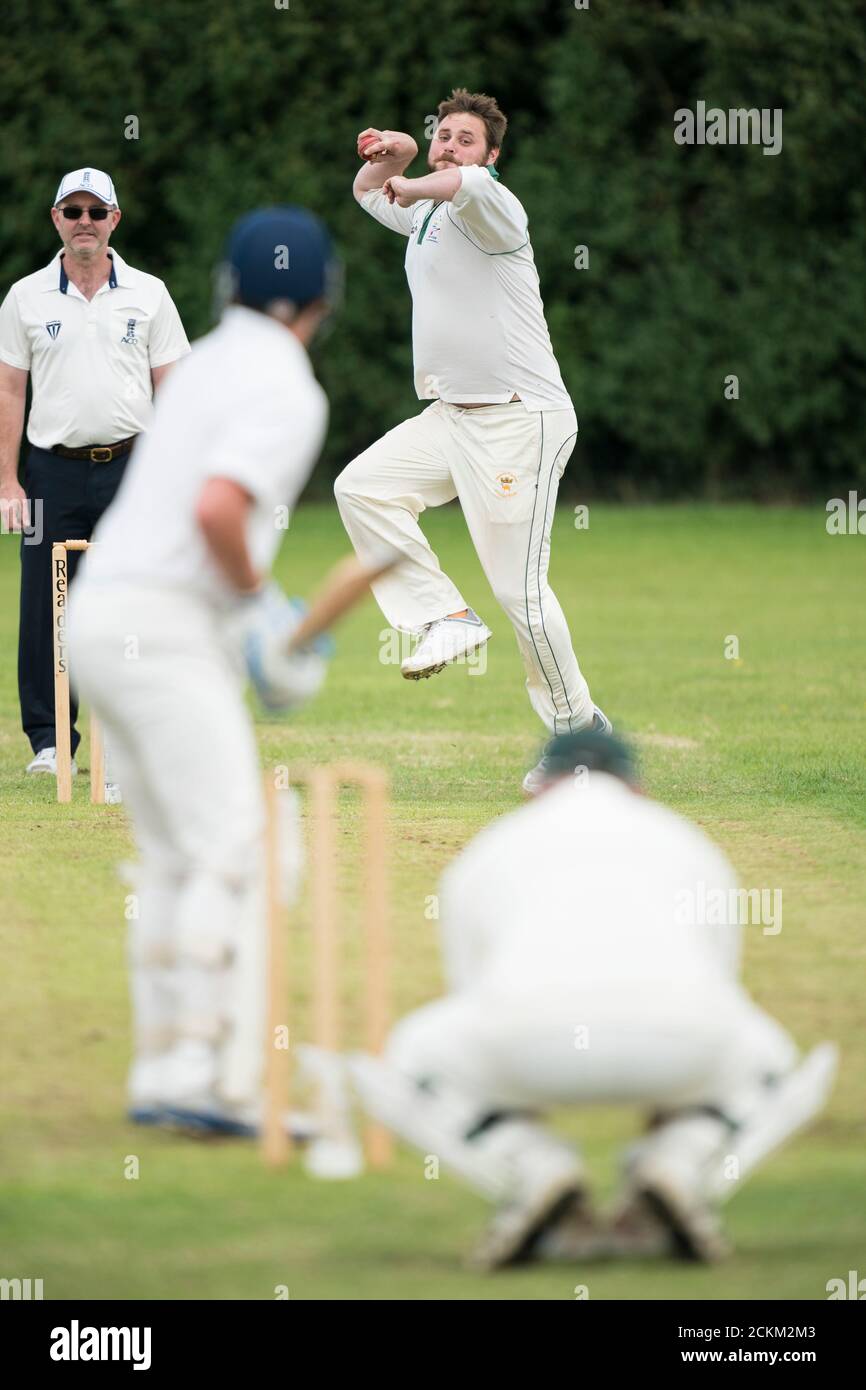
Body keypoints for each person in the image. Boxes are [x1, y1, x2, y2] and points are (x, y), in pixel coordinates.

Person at [349, 730, 837, 1269]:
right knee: (773, 1058)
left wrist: (514, 1107)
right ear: (637, 787)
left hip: (523, 1040)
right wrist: (676, 1108)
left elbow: (472, 989)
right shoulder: (687, 840)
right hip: (685, 1039)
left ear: (539, 787)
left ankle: (534, 1168)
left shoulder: (493, 844)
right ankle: (679, 1163)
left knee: (406, 1056)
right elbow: (719, 985)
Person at [68, 207, 340, 1133]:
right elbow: (220, 513)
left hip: (98, 617)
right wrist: (262, 608)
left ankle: (168, 1066)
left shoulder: (208, 364)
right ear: (322, 303)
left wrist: (243, 616)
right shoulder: (287, 386)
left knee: (178, 854)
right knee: (248, 846)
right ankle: (217, 1077)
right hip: (162, 627)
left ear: (227, 286)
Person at [334, 89, 610, 794]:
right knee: (362, 487)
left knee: (520, 593)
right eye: (443, 135)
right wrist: (391, 157)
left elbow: (461, 183)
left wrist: (416, 175)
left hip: (522, 419)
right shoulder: (425, 214)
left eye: (466, 138)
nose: (451, 146)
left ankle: (580, 739)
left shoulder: (493, 205)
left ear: (492, 154)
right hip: (452, 418)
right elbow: (370, 191)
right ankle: (444, 615)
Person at [0, 168, 189, 798]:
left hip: (134, 466)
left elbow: (175, 388)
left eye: (96, 211)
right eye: (72, 210)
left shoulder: (150, 293)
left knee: (134, 603)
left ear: (115, 219)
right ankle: (52, 742)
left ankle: (128, 742)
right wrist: (7, 480)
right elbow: (9, 390)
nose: (85, 221)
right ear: (56, 218)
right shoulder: (25, 297)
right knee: (45, 605)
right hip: (50, 468)